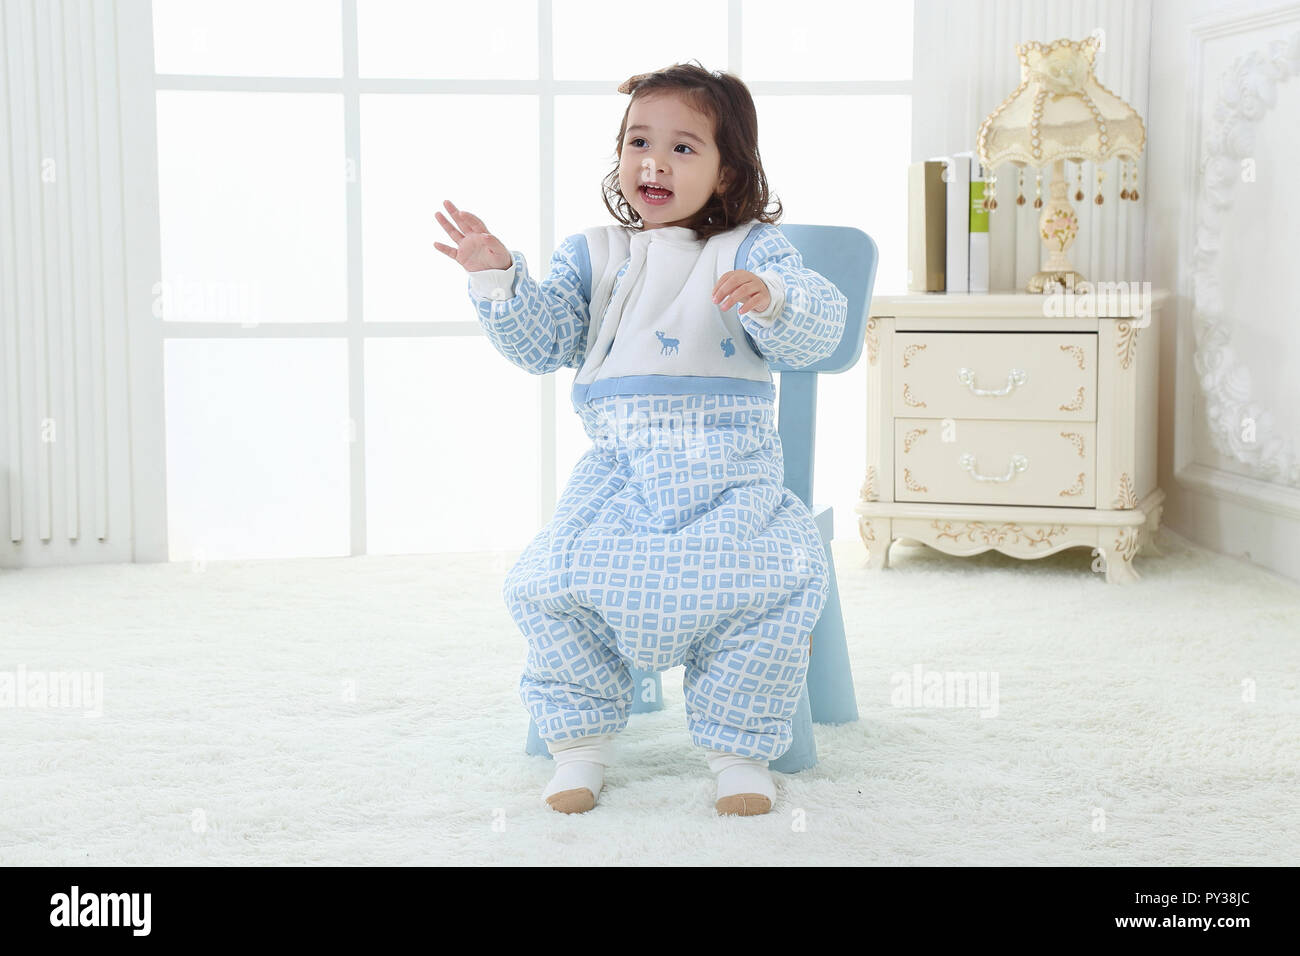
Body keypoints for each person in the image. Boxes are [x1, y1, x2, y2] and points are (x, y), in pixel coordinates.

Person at [435, 61, 847, 817]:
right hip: (621, 478)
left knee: (772, 581)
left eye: (684, 147)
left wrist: (775, 299)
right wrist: (498, 279)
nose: (653, 161)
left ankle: (737, 751)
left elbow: (816, 328)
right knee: (551, 582)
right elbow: (542, 342)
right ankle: (580, 745)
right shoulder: (594, 254)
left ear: (728, 173)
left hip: (730, 478)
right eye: (638, 142)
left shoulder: (752, 250)